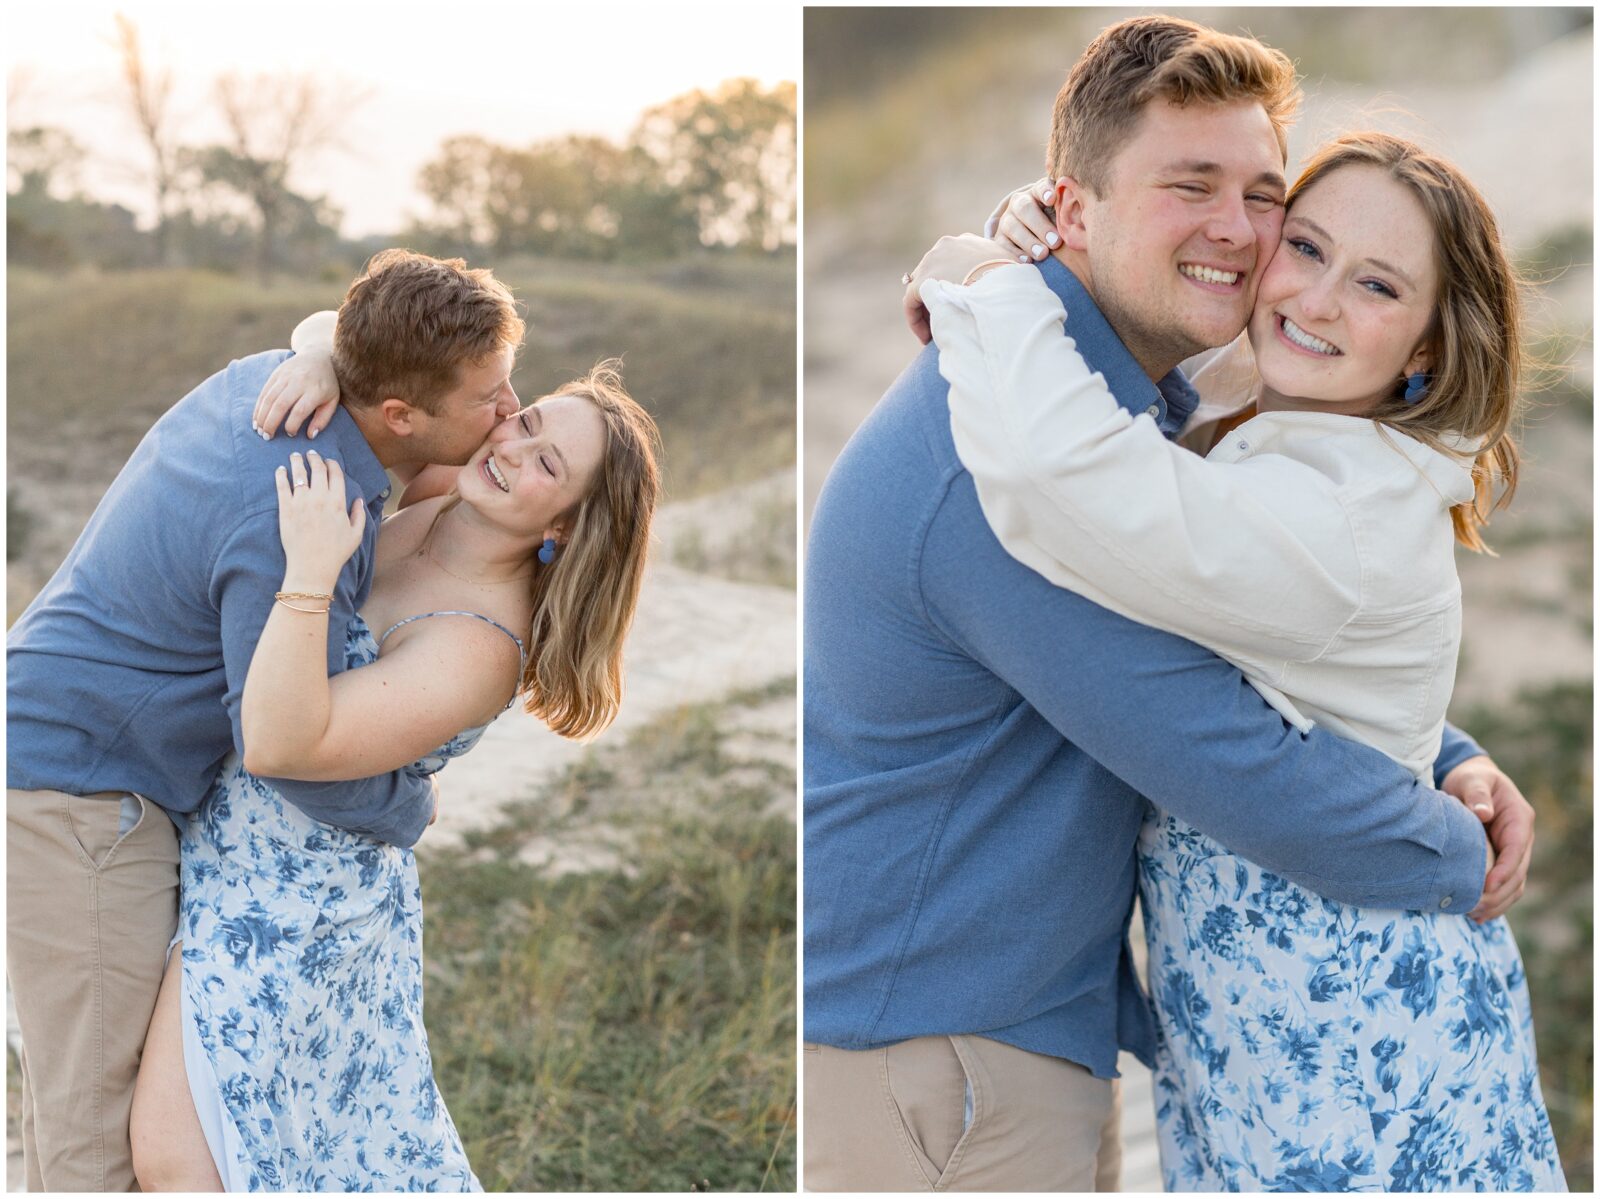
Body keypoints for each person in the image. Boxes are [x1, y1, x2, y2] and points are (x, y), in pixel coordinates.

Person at [803, 16, 1536, 1192]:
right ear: (1072, 206)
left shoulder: (1115, 402)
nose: (1238, 235)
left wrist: (1434, 742)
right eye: (1189, 186)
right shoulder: (1006, 466)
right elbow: (1223, 749)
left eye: (1260, 196)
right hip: (935, 1055)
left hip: (1033, 1032)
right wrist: (1455, 845)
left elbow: (1213, 625)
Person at [128, 327, 659, 1189]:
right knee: (280, 1154)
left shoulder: (478, 644)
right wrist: (316, 361)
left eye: (545, 463)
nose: (510, 447)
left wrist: (307, 571)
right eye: (525, 423)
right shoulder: (449, 487)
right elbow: (383, 349)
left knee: (182, 1160)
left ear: (564, 524)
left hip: (293, 909)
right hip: (222, 855)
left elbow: (284, 742)